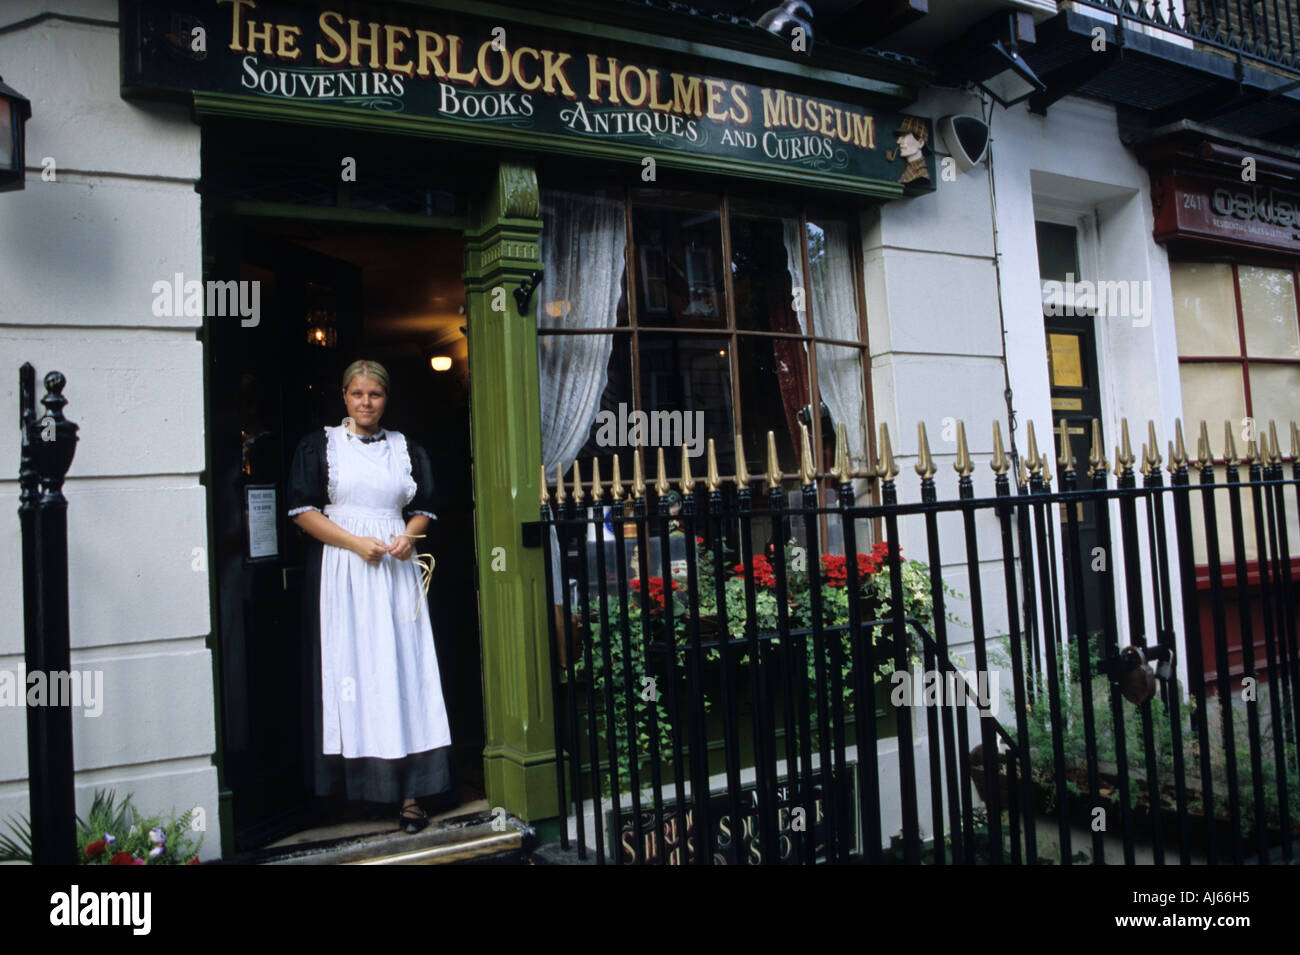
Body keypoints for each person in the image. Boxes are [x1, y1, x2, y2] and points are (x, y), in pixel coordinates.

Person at [287, 359, 454, 833]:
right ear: (344, 396)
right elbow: (302, 511)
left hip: (396, 572)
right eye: (357, 394)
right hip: (345, 570)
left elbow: (424, 507)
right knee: (351, 669)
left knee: (402, 670)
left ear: (386, 399)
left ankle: (410, 794)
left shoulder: (407, 449)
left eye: (374, 395)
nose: (366, 403)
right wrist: (355, 543)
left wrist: (408, 536)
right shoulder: (319, 447)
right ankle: (353, 792)